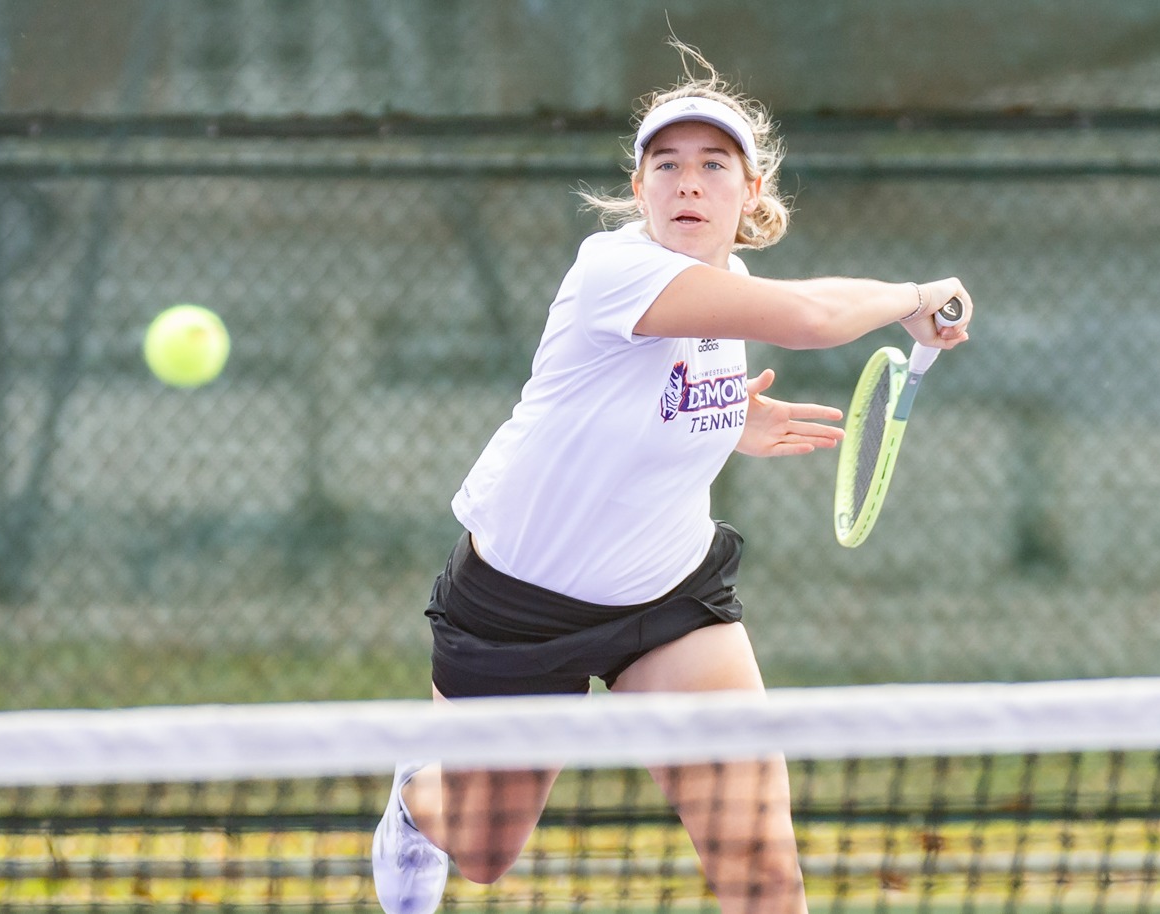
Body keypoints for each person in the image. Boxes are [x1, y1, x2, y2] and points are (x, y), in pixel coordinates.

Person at [372, 40, 973, 914]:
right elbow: (809, 318)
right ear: (640, 187)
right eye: (666, 164)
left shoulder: (728, 281)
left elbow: (659, 395)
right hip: (518, 606)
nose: (688, 182)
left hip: (668, 598)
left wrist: (729, 417)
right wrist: (913, 295)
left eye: (713, 164)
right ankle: (419, 797)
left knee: (762, 872)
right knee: (482, 852)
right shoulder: (612, 269)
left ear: (751, 191)